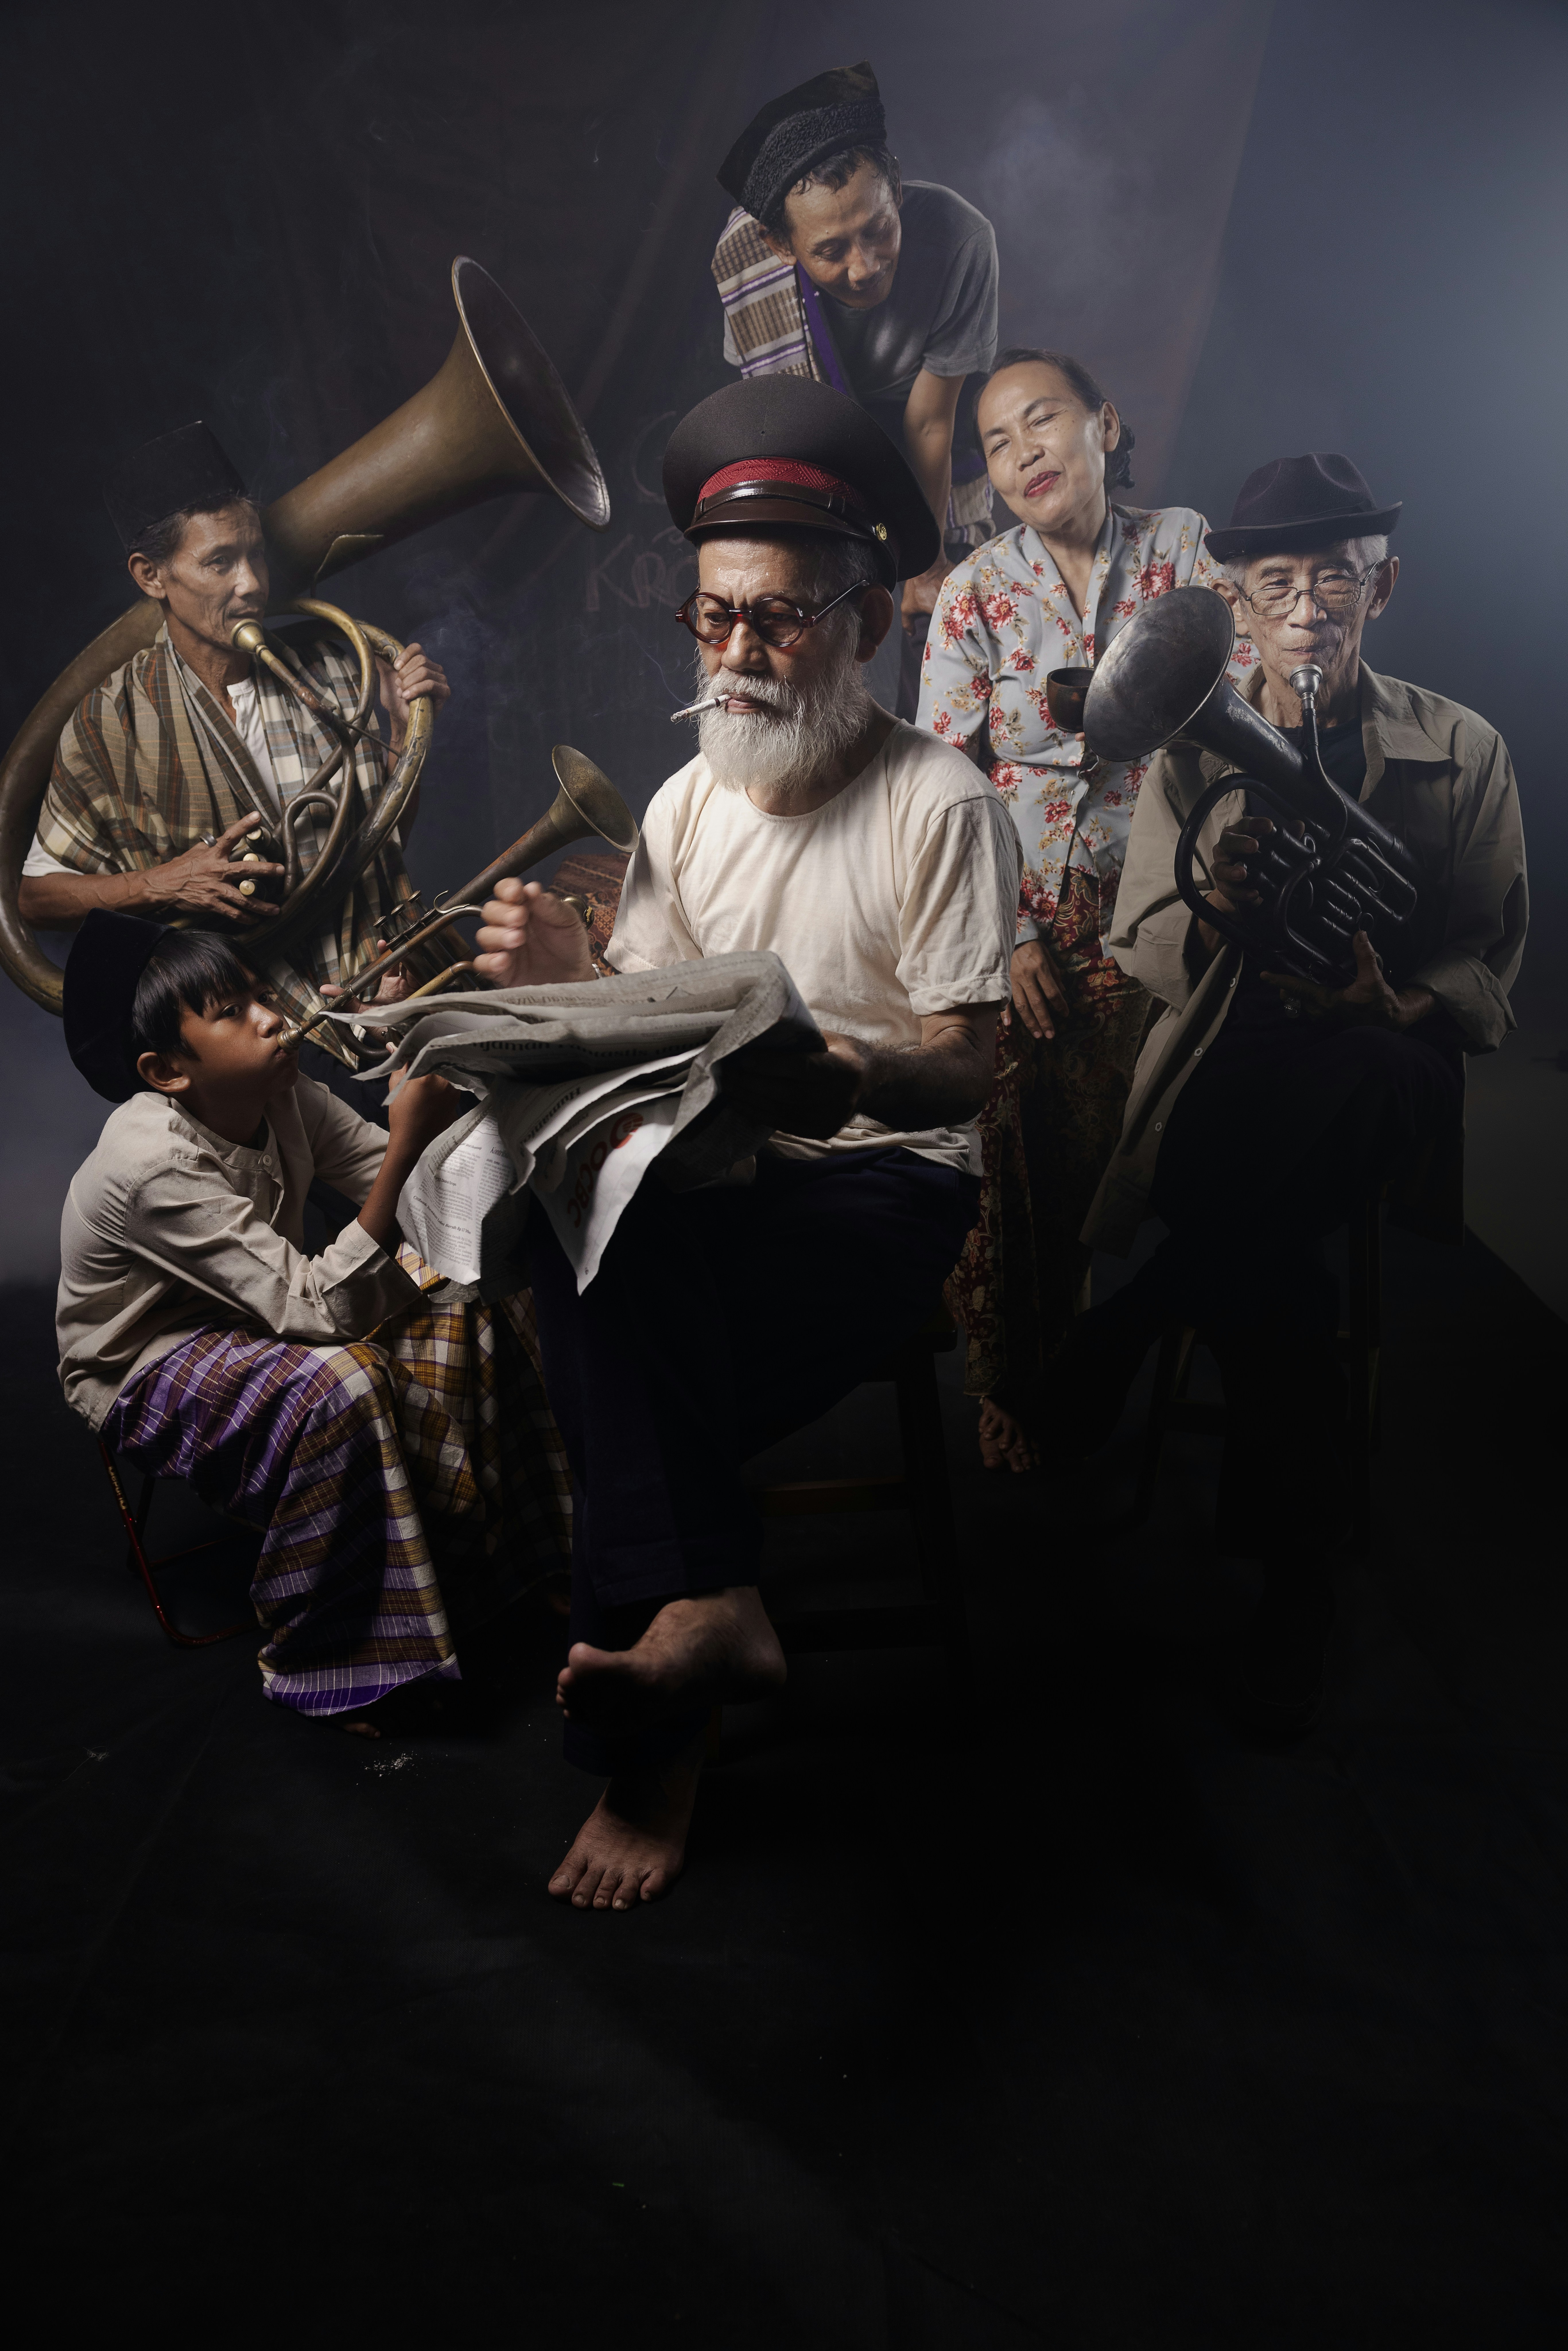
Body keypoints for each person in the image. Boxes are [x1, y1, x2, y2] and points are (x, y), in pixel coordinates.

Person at [471, 376, 1020, 1909]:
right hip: (713, 1175)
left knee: (617, 1347)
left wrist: (840, 1075)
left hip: (878, 1188)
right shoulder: (679, 803)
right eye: (710, 621)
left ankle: (654, 1769)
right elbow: (647, 1028)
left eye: (775, 620)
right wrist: (560, 996)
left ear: (864, 621)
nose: (735, 655)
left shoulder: (943, 803)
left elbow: (969, 1072)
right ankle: (711, 1597)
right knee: (579, 1226)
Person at [1079, 452, 1527, 1733]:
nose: (1308, 606)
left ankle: (1137, 1316)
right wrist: (1219, 903)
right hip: (1241, 1056)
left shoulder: (1463, 744)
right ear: (1231, 598)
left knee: (1361, 1068)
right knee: (1276, 1258)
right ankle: (1298, 1596)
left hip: (1387, 1062)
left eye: (1337, 578)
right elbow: (1143, 937)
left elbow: (1489, 949)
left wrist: (1405, 1001)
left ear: (1382, 590)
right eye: (1276, 582)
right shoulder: (1189, 745)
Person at [56, 910, 570, 1726]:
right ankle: (344, 1658)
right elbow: (322, 1305)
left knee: (479, 1272)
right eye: (232, 1011)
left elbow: (410, 1187)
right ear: (165, 1070)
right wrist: (409, 1145)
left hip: (272, 1313)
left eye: (261, 993)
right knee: (345, 1382)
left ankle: (511, 1561)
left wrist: (441, 1080)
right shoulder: (149, 1161)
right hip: (150, 1360)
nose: (272, 1015)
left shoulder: (283, 1089)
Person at [918, 348, 1246, 1470]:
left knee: (1197, 1105)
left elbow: (1250, 714)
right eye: (997, 445)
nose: (1021, 455)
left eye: (1041, 420)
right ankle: (1020, 1362)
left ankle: (1138, 1332)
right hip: (1028, 919)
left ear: (1105, 424)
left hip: (1177, 904)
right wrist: (1006, 936)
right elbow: (944, 791)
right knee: (999, 1085)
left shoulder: (1190, 549)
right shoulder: (973, 593)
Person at [20, 421, 452, 1070]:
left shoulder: (342, 665)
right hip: (269, 1055)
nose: (252, 584)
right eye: (219, 562)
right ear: (151, 575)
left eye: (256, 554)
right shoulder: (107, 725)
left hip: (397, 993)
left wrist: (400, 734)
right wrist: (160, 886)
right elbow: (35, 897)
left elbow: (381, 843)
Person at [711, 60, 998, 712]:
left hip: (925, 431)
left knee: (943, 629)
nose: (864, 267)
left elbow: (929, 420)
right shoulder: (744, 265)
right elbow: (777, 413)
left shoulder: (963, 239)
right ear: (780, 245)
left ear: (895, 188)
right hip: (812, 429)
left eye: (879, 231)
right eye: (831, 250)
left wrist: (924, 568)